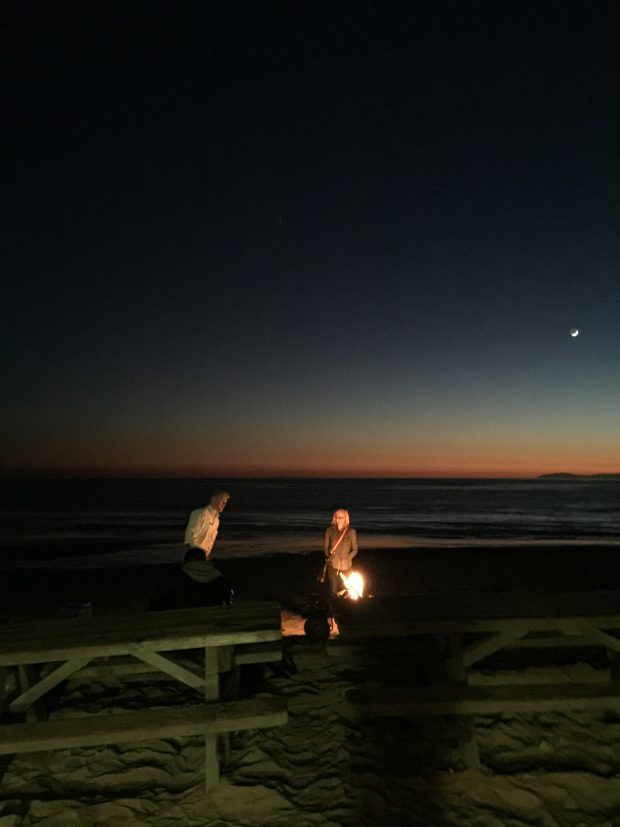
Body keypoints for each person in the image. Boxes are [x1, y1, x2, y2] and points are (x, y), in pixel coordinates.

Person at [149, 547, 233, 610]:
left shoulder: (174, 577)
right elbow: (228, 600)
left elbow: (156, 602)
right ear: (204, 560)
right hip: (211, 618)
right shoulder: (218, 577)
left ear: (186, 561)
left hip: (178, 620)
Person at [322, 508, 358, 596]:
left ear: (346, 518)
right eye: (336, 517)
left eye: (341, 517)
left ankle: (345, 608)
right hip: (332, 567)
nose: (338, 519)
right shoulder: (329, 531)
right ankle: (334, 606)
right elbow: (325, 547)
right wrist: (329, 556)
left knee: (347, 591)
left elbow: (355, 549)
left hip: (347, 567)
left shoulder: (351, 532)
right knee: (333, 591)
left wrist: (348, 557)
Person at [184, 489, 230, 558]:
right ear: (215, 500)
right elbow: (189, 536)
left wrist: (207, 554)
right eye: (223, 502)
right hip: (195, 555)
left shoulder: (216, 521)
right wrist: (196, 554)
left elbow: (210, 541)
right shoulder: (200, 513)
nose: (224, 505)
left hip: (204, 556)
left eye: (225, 503)